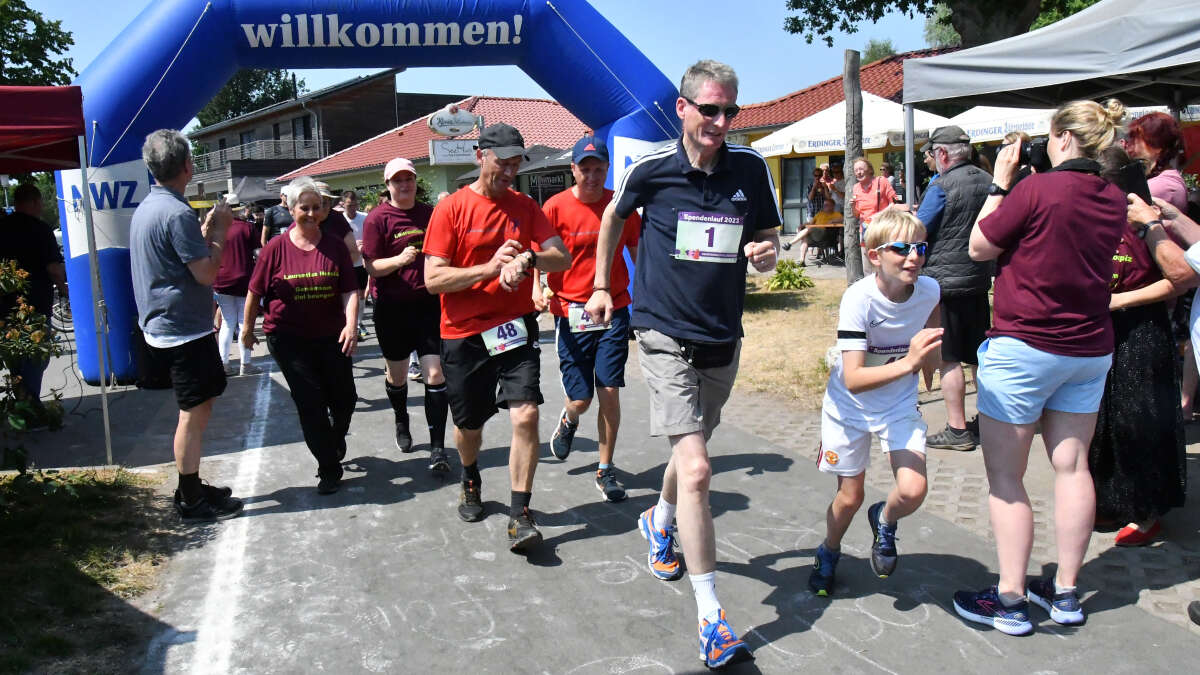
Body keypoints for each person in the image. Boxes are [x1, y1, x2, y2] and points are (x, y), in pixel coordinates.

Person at [585, 59, 779, 669]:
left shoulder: (750, 169)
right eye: (710, 110)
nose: (720, 122)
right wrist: (599, 285)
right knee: (696, 468)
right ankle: (711, 616)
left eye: (730, 112)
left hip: (723, 337)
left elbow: (768, 241)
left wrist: (767, 255)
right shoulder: (651, 169)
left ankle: (658, 516)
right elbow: (614, 216)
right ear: (683, 109)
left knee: (686, 457)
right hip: (662, 331)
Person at [952, 99, 1127, 635]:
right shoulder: (1114, 197)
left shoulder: (1036, 188)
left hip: (1026, 344)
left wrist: (1001, 183)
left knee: (1007, 477)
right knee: (1072, 468)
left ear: (1063, 137)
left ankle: (1008, 599)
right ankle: (1067, 592)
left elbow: (979, 246)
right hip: (1089, 347)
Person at [423, 123, 571, 552]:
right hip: (463, 333)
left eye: (515, 162)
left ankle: (519, 514)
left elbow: (559, 255)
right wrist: (489, 268)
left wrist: (527, 258)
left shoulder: (525, 206)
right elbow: (433, 280)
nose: (509, 170)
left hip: (513, 328)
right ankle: (470, 477)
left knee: (525, 414)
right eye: (502, 161)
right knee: (468, 425)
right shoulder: (451, 208)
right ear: (479, 156)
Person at [811, 209, 941, 596]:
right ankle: (829, 551)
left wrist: (931, 367)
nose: (914, 256)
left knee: (913, 489)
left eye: (920, 247)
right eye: (901, 248)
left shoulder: (931, 290)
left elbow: (932, 336)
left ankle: (884, 521)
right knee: (850, 497)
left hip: (898, 405)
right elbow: (853, 379)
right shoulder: (858, 300)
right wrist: (911, 363)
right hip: (848, 410)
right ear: (874, 257)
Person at [129, 129, 243, 521]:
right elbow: (206, 273)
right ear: (187, 166)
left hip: (165, 326)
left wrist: (207, 231)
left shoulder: (151, 207)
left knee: (199, 409)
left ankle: (190, 486)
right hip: (182, 329)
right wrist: (223, 232)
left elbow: (179, 256)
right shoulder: (176, 211)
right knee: (193, 415)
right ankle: (190, 497)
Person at [1090, 149, 1189, 547]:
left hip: (1142, 330)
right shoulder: (1092, 217)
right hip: (1099, 330)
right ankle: (1110, 501)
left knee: (1140, 423)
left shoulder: (1149, 222)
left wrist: (1119, 301)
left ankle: (1147, 514)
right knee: (1102, 422)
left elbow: (1179, 280)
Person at [534, 135, 640, 503]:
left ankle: (605, 468)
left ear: (607, 170)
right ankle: (569, 419)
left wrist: (653, 295)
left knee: (608, 389)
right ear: (573, 170)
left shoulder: (620, 206)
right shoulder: (555, 208)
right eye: (585, 169)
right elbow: (538, 254)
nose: (592, 177)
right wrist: (537, 288)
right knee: (581, 399)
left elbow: (639, 252)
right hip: (572, 310)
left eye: (598, 169)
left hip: (614, 307)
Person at [242, 176, 359, 494]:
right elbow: (254, 292)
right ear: (291, 209)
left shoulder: (334, 245)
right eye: (303, 207)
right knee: (311, 403)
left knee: (345, 399)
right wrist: (247, 329)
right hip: (289, 338)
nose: (310, 213)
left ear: (323, 209)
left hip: (331, 335)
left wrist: (351, 325)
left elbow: (349, 290)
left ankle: (334, 440)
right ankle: (329, 467)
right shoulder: (275, 249)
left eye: (315, 207)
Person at [362, 157, 451, 473]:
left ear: (415, 182)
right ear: (387, 185)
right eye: (397, 180)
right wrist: (399, 259)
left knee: (435, 374)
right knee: (397, 376)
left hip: (427, 304)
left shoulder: (431, 214)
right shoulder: (377, 219)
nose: (404, 184)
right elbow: (371, 266)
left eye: (408, 179)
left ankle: (438, 448)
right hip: (392, 309)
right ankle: (401, 418)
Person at [916, 126, 994, 452]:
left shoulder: (941, 186)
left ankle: (957, 429)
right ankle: (990, 422)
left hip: (945, 284)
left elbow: (919, 229)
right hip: (978, 279)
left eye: (932, 155)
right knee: (980, 355)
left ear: (943, 154)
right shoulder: (989, 181)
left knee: (949, 359)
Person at [0, 183, 68, 408]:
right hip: (35, 306)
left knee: (16, 359)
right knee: (36, 357)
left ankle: (22, 403)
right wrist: (65, 289)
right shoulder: (40, 229)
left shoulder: (2, 227)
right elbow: (54, 268)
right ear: (35, 202)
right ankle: (29, 406)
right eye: (39, 203)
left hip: (6, 308)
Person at [212, 196, 260, 376]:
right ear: (237, 209)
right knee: (243, 322)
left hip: (221, 280)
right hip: (243, 280)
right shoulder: (247, 228)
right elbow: (258, 252)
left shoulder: (216, 229)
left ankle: (224, 364)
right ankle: (245, 365)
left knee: (227, 322)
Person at [340, 190, 370, 341]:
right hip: (347, 263)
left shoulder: (364, 218)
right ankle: (350, 323)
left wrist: (364, 246)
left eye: (355, 205)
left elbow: (371, 237)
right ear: (343, 204)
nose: (352, 208)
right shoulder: (340, 220)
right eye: (349, 205)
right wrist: (351, 248)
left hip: (361, 263)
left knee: (362, 295)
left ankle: (358, 323)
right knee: (349, 294)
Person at [781, 198, 842, 265]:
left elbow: (843, 220)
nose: (824, 206)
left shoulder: (837, 214)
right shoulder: (819, 214)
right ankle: (802, 260)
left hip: (825, 234)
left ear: (832, 206)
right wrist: (802, 225)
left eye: (827, 205)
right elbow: (810, 223)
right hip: (815, 233)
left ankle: (790, 243)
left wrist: (834, 220)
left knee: (810, 229)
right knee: (805, 238)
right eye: (824, 205)